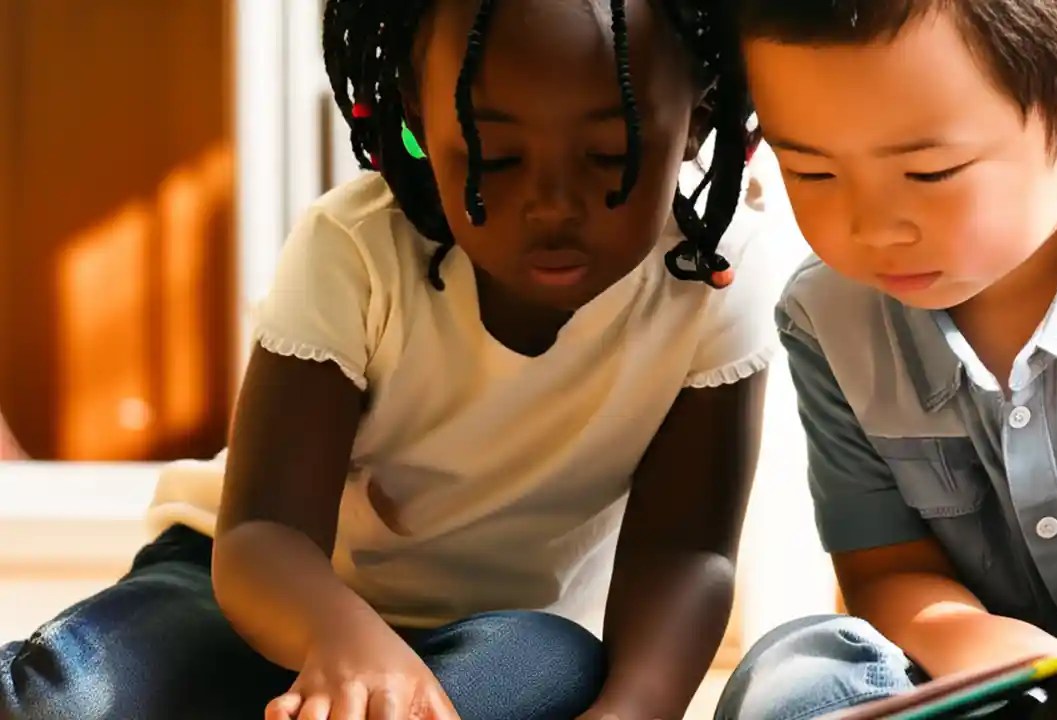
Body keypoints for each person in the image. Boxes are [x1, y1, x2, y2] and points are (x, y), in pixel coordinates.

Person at [0, 1, 774, 718]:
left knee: (557, 667)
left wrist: (632, 711)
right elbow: (263, 533)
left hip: (487, 632)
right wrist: (347, 644)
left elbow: (687, 551)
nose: (552, 202)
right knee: (69, 699)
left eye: (610, 153)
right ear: (415, 107)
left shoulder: (709, 281)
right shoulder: (358, 250)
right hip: (245, 587)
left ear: (698, 118)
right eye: (496, 155)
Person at [715, 1, 1057, 719]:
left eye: (930, 173)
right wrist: (999, 656)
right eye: (812, 174)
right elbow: (888, 573)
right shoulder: (827, 318)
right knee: (799, 665)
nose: (871, 228)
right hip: (988, 691)